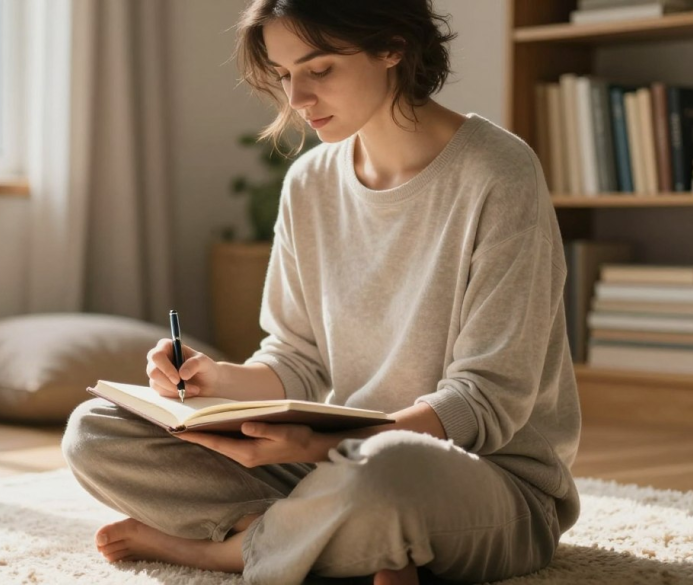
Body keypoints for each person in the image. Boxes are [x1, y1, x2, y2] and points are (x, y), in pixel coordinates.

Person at [62, 0, 581, 583]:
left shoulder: (498, 173)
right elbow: (296, 359)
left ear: (393, 46)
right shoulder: (308, 183)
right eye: (285, 75)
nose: (297, 99)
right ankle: (347, 542)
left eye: (320, 69)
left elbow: (486, 402)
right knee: (95, 429)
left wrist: (319, 448)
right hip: (337, 464)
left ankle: (229, 550)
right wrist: (215, 380)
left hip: (480, 482)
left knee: (385, 471)